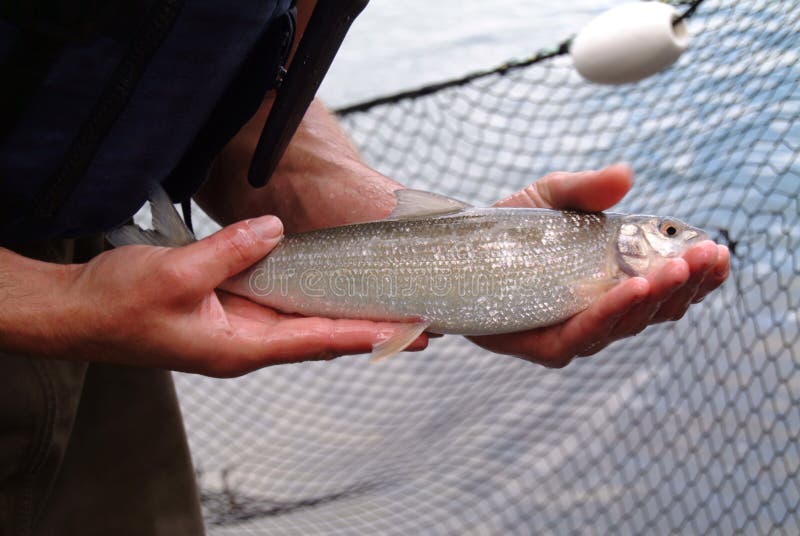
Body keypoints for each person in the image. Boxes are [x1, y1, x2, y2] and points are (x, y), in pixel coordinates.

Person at [0, 1, 729, 534]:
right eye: (665, 231)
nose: (672, 239)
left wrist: (396, 224)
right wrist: (55, 301)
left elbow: (235, 84)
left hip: (115, 281)